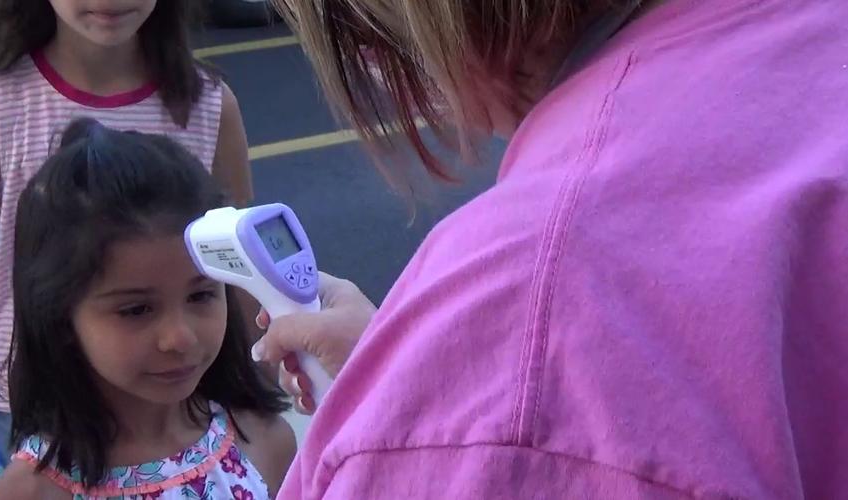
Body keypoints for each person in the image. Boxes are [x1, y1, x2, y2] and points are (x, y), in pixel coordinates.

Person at [253, 0, 848, 497]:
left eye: (370, 42)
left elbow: (533, 411)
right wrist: (412, 379)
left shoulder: (539, 316)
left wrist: (448, 398)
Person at [0, 0, 254, 460]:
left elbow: (241, 270)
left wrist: (259, 394)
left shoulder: (209, 104)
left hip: (175, 411)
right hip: (30, 408)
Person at [0, 119, 294, 499]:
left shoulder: (265, 443)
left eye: (201, 295)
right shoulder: (31, 492)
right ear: (60, 317)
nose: (180, 337)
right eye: (137, 310)